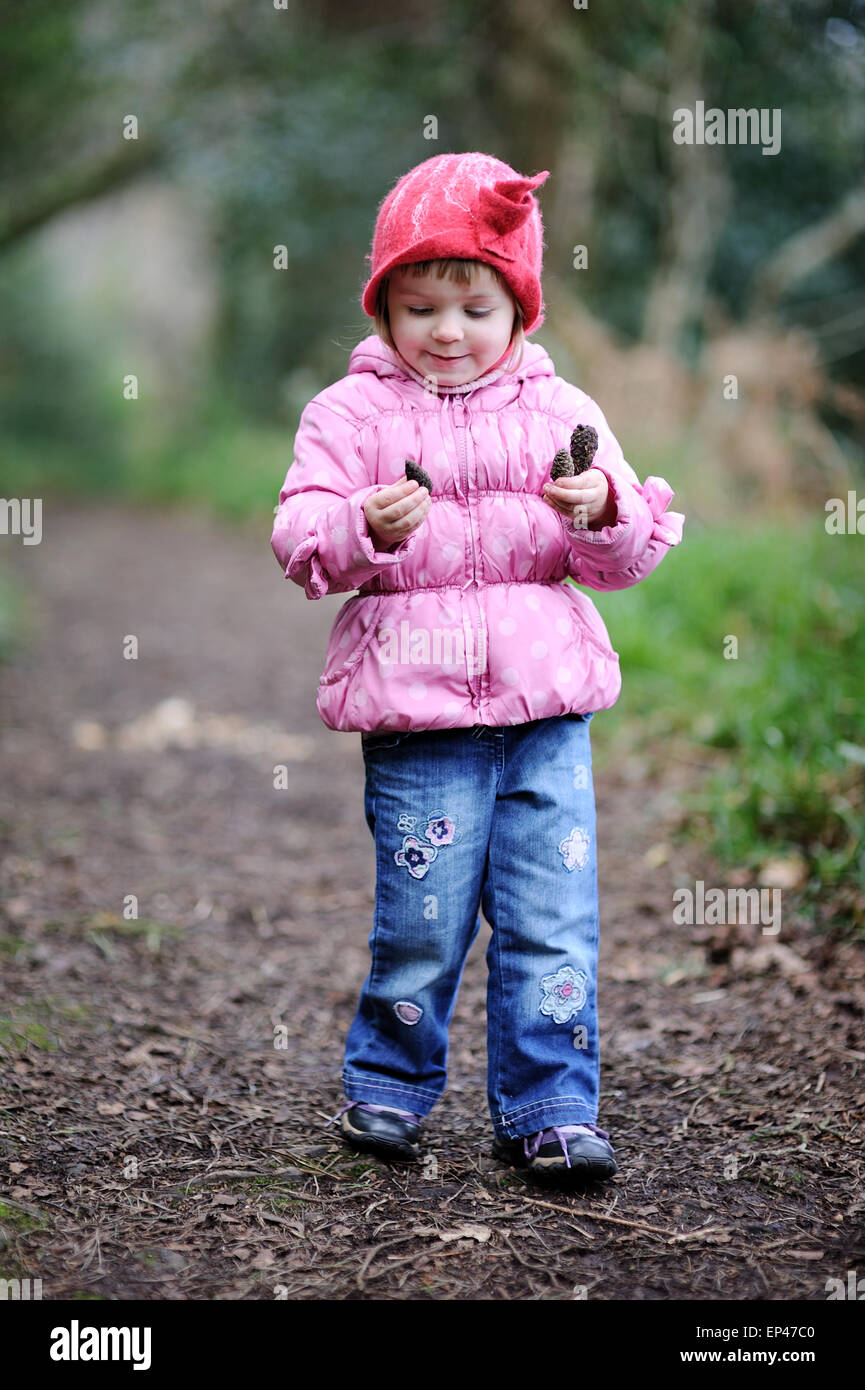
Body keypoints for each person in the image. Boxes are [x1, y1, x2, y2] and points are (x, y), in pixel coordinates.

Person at [270, 152, 685, 1185]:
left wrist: (602, 512)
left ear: (518, 309)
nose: (446, 331)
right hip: (419, 727)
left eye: (474, 306)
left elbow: (626, 555)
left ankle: (550, 1103)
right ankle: (388, 1087)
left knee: (552, 921)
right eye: (418, 306)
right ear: (381, 310)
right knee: (421, 920)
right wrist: (359, 527)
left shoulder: (560, 414)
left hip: (547, 718)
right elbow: (300, 538)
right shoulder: (350, 418)